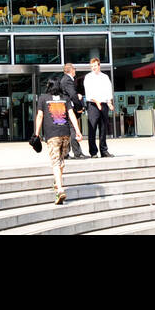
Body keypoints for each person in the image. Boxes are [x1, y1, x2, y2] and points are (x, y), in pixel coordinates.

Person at [32, 76, 85, 205]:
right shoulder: (65, 98)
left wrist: (36, 133)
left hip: (52, 134)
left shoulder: (43, 98)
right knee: (61, 160)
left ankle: (60, 190)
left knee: (55, 162)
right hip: (65, 133)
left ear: (49, 86)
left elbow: (40, 115)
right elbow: (72, 115)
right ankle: (57, 182)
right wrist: (78, 131)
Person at [83, 57, 114, 158]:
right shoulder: (88, 77)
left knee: (103, 128)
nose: (93, 68)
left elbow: (108, 90)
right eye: (92, 66)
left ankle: (104, 151)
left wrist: (109, 102)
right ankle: (93, 152)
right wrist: (96, 102)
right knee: (92, 128)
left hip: (104, 104)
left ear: (99, 65)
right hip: (93, 105)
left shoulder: (105, 77)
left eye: (95, 66)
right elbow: (88, 92)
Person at [59, 63, 88, 159]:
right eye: (74, 69)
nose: (75, 70)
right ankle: (77, 153)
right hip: (69, 109)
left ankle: (66, 153)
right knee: (73, 130)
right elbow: (72, 95)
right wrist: (79, 107)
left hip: (65, 108)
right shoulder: (68, 80)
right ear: (71, 70)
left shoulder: (65, 79)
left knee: (68, 131)